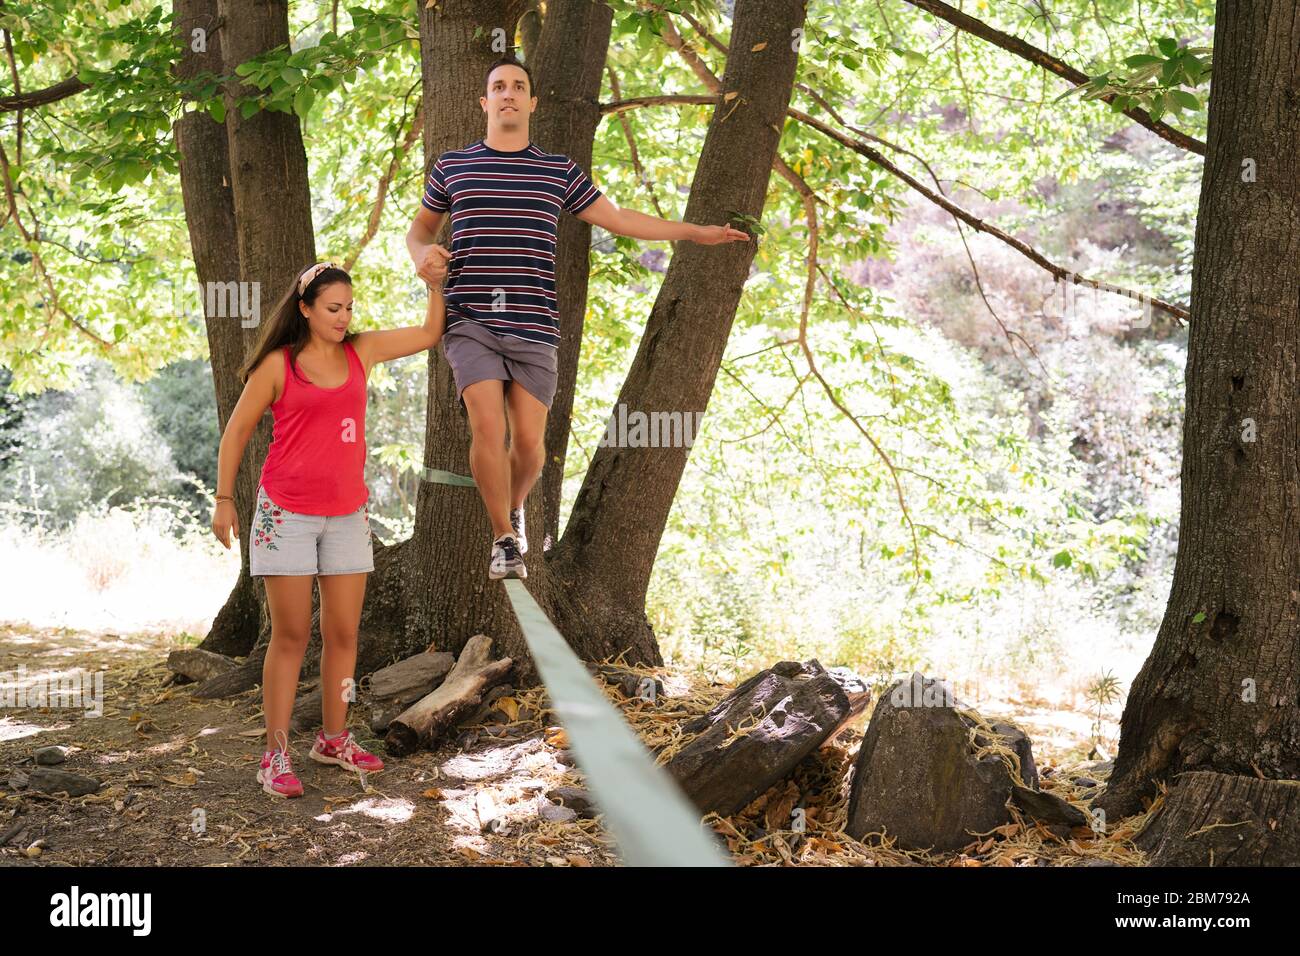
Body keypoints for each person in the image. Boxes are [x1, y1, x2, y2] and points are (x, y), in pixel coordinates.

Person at [405, 55, 749, 581]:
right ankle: (503, 540)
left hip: (535, 323)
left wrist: (694, 232)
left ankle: (515, 509)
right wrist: (422, 258)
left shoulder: (557, 170)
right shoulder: (453, 167)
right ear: (484, 102)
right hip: (470, 316)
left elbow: (620, 219)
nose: (508, 94)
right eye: (498, 86)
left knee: (529, 446)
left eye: (518, 86)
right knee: (487, 426)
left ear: (532, 102)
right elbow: (419, 231)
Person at [210, 260, 448, 798]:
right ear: (306, 309)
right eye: (333, 309)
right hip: (285, 514)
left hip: (347, 514)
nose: (343, 318)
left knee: (343, 634)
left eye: (349, 308)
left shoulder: (360, 351)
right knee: (291, 636)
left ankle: (334, 738)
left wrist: (434, 284)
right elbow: (236, 433)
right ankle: (275, 754)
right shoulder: (279, 365)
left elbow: (432, 333)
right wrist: (224, 500)